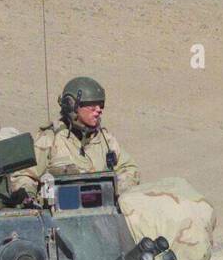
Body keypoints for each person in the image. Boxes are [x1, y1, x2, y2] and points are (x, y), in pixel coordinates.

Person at [9, 76, 139, 199]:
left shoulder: (106, 140)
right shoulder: (50, 140)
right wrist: (27, 196)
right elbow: (24, 175)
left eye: (101, 105)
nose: (99, 110)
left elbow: (129, 168)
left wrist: (116, 190)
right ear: (72, 106)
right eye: (92, 106)